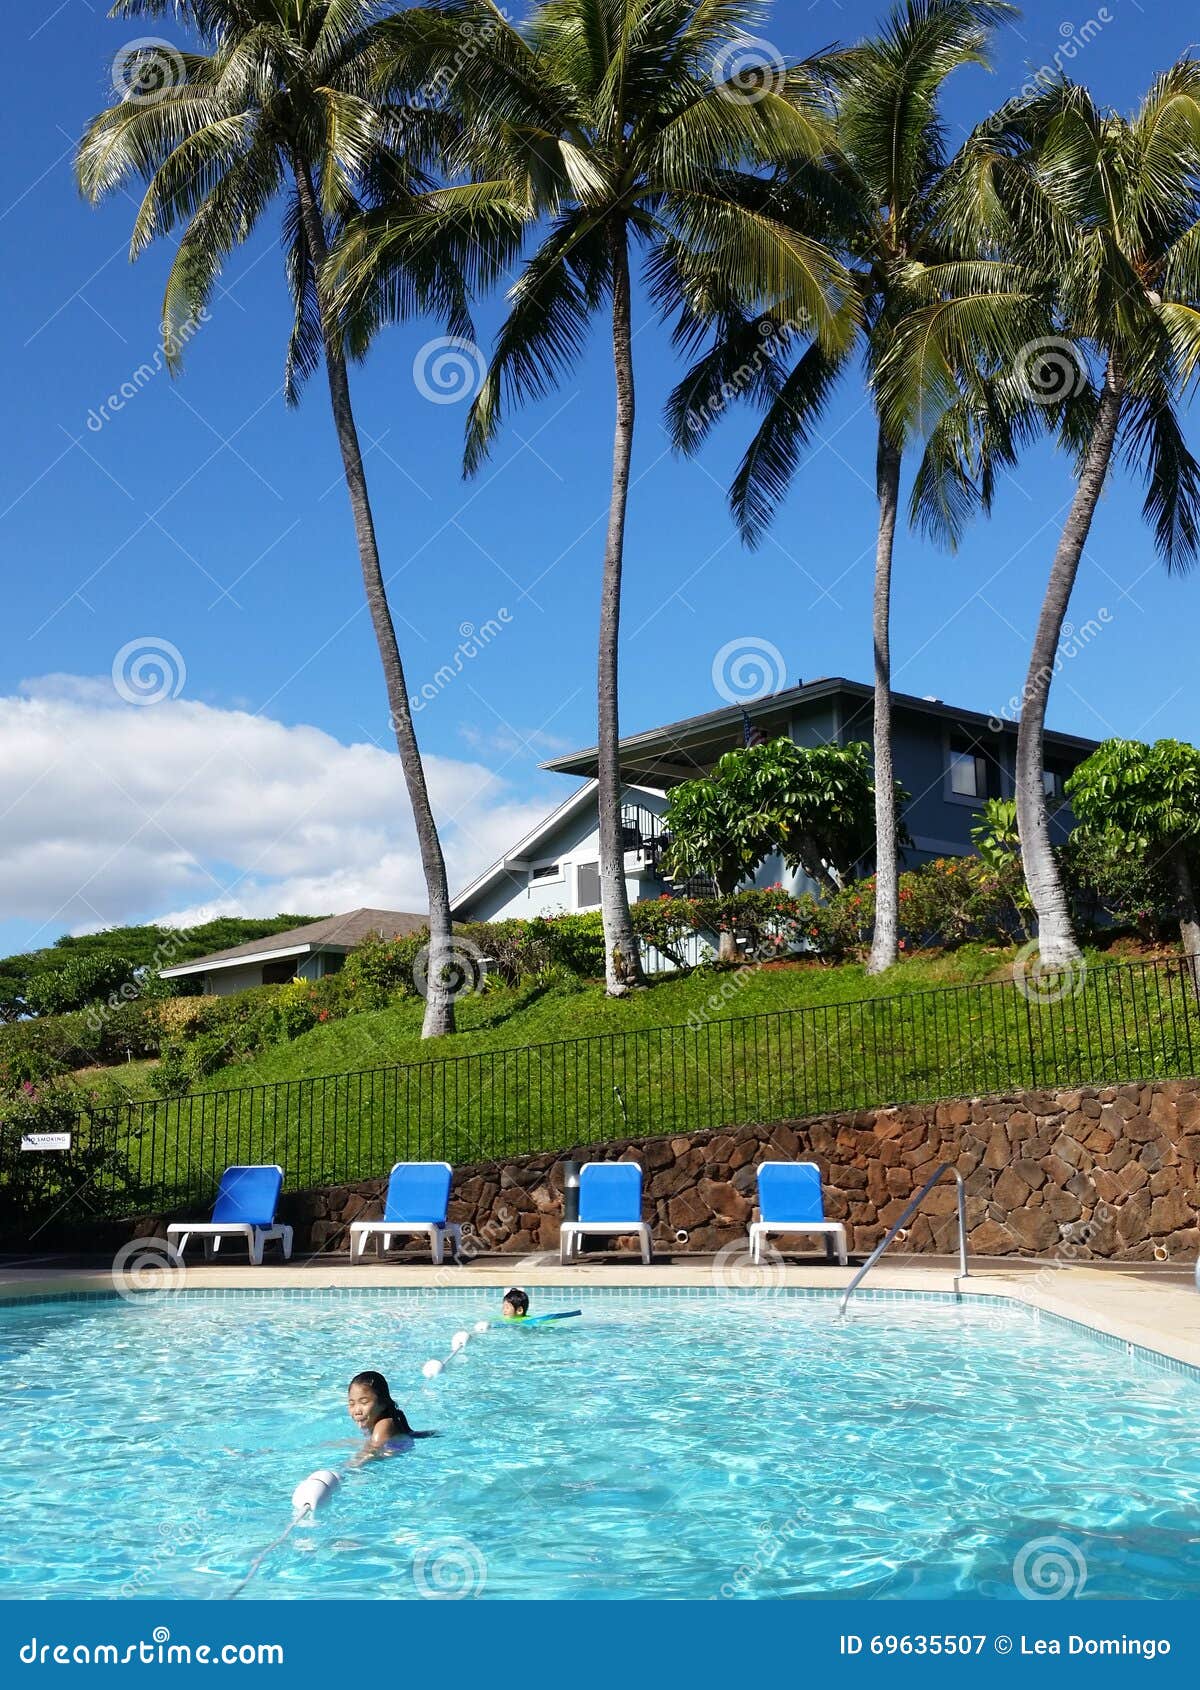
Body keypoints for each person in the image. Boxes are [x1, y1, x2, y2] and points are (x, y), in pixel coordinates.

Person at [346, 1371, 432, 1463]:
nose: (357, 1411)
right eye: (352, 1404)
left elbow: (369, 1453)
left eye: (364, 1402)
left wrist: (344, 1469)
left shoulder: (383, 1425)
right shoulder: (384, 1422)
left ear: (383, 1403)